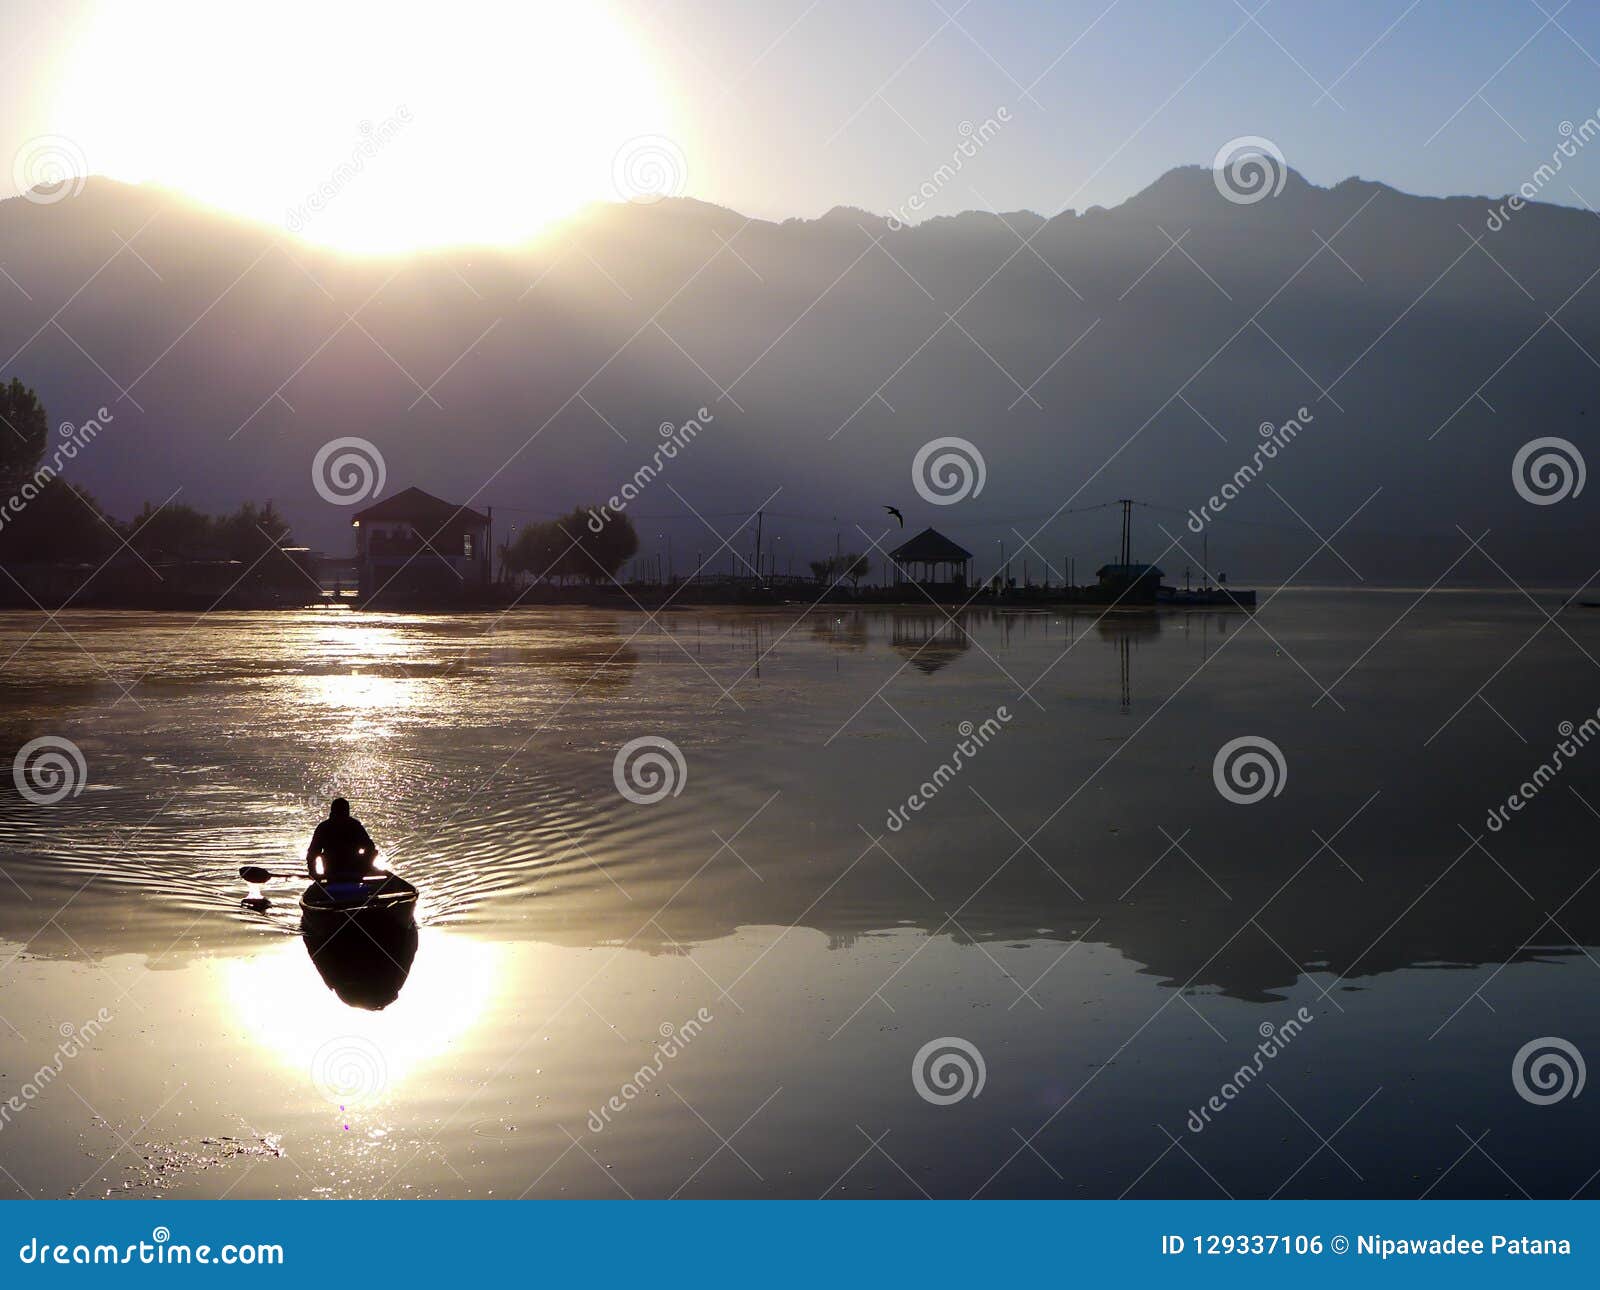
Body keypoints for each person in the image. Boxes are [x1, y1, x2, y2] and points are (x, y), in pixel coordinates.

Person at [306, 798, 380, 881]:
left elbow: (312, 853)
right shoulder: (355, 825)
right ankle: (365, 870)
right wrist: (366, 865)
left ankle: (363, 870)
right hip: (349, 868)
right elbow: (370, 847)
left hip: (334, 869)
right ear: (347, 811)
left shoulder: (323, 827)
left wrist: (314, 873)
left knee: (373, 852)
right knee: (373, 852)